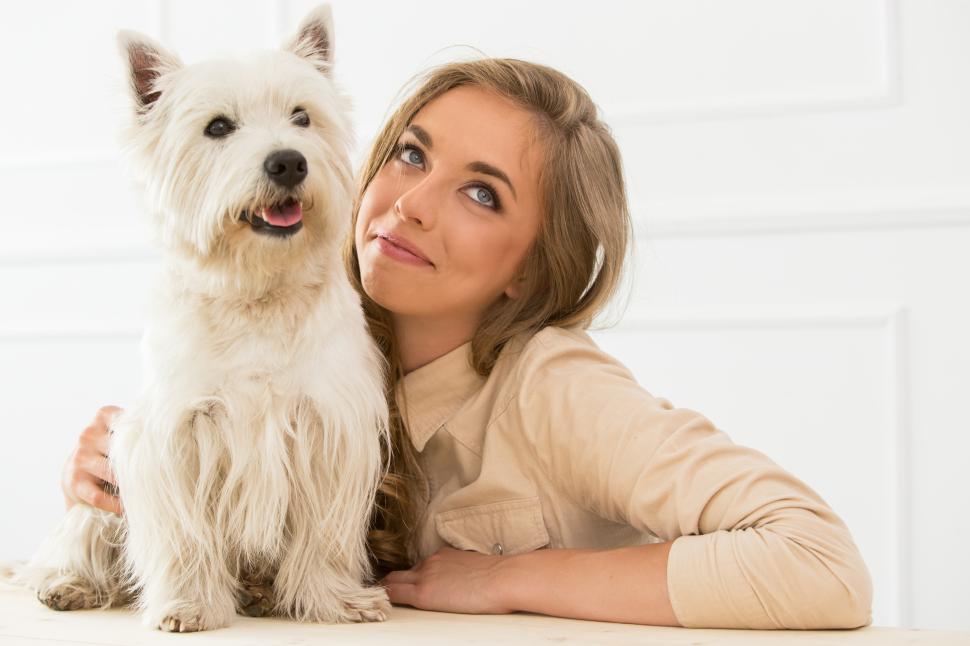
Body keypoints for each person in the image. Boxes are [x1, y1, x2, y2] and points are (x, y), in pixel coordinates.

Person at [62, 58, 872, 630]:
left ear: (531, 268)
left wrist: (509, 577)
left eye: (481, 194)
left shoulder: (557, 390)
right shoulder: (313, 327)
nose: (411, 203)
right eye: (410, 154)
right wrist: (117, 480)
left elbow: (822, 564)